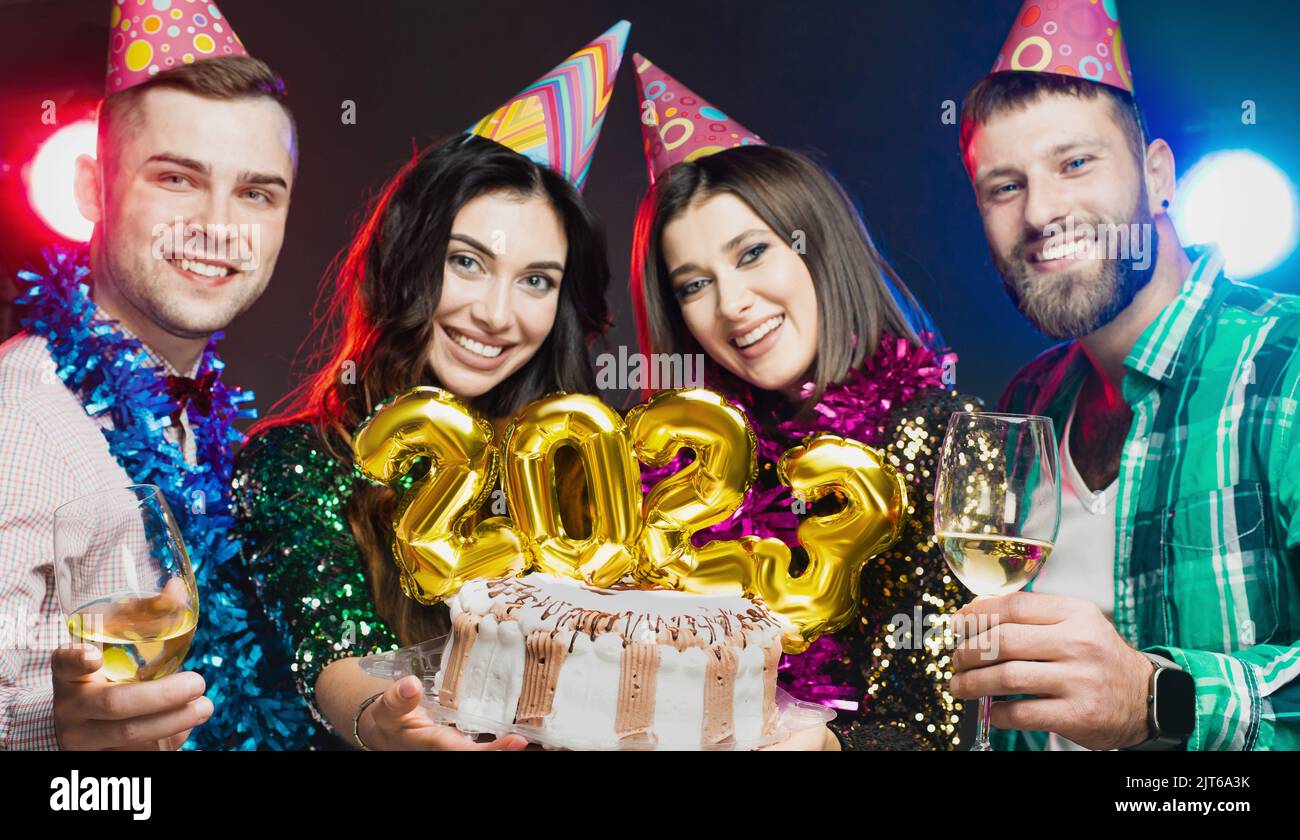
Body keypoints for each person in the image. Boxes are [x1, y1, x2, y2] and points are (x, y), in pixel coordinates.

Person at [233, 23, 627, 751]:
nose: (497, 314)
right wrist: (385, 722)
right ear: (407, 263)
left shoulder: (597, 468)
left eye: (536, 280)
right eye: (468, 263)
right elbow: (331, 651)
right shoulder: (296, 462)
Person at [951, 0, 1300, 751]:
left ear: (1158, 174)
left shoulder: (1287, 363)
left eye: (1075, 163)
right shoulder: (1026, 406)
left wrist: (1158, 698)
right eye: (1004, 188)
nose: (1043, 212)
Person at [629, 55, 976, 750]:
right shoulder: (683, 471)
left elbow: (948, 722)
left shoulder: (942, 437)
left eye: (752, 253)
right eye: (693, 285)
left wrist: (828, 746)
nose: (731, 304)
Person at [0, 1, 312, 750]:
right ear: (92, 191)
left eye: (256, 193)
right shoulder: (22, 420)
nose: (219, 225)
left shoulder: (208, 417)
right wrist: (58, 735)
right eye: (177, 178)